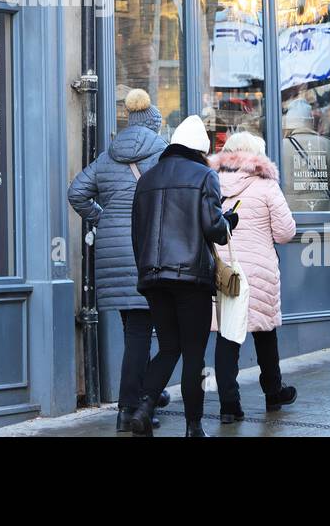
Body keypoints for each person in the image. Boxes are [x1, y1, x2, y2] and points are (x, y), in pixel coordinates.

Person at [127, 114, 237, 437]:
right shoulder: (205, 176)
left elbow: (137, 233)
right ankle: (193, 426)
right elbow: (214, 229)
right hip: (192, 279)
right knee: (193, 354)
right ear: (200, 150)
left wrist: (146, 268)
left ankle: (143, 409)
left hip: (153, 277)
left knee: (168, 348)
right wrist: (229, 222)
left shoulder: (146, 179)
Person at [67, 89, 168, 431]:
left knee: (135, 330)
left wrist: (103, 217)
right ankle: (130, 408)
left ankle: (146, 394)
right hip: (147, 249)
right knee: (145, 331)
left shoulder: (108, 155)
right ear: (153, 125)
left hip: (114, 254)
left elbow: (76, 192)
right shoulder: (161, 152)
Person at [207, 131, 298, 422]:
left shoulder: (211, 183)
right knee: (265, 333)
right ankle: (273, 392)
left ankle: (229, 406)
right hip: (259, 271)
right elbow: (285, 233)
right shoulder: (266, 186)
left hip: (224, 270)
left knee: (228, 335)